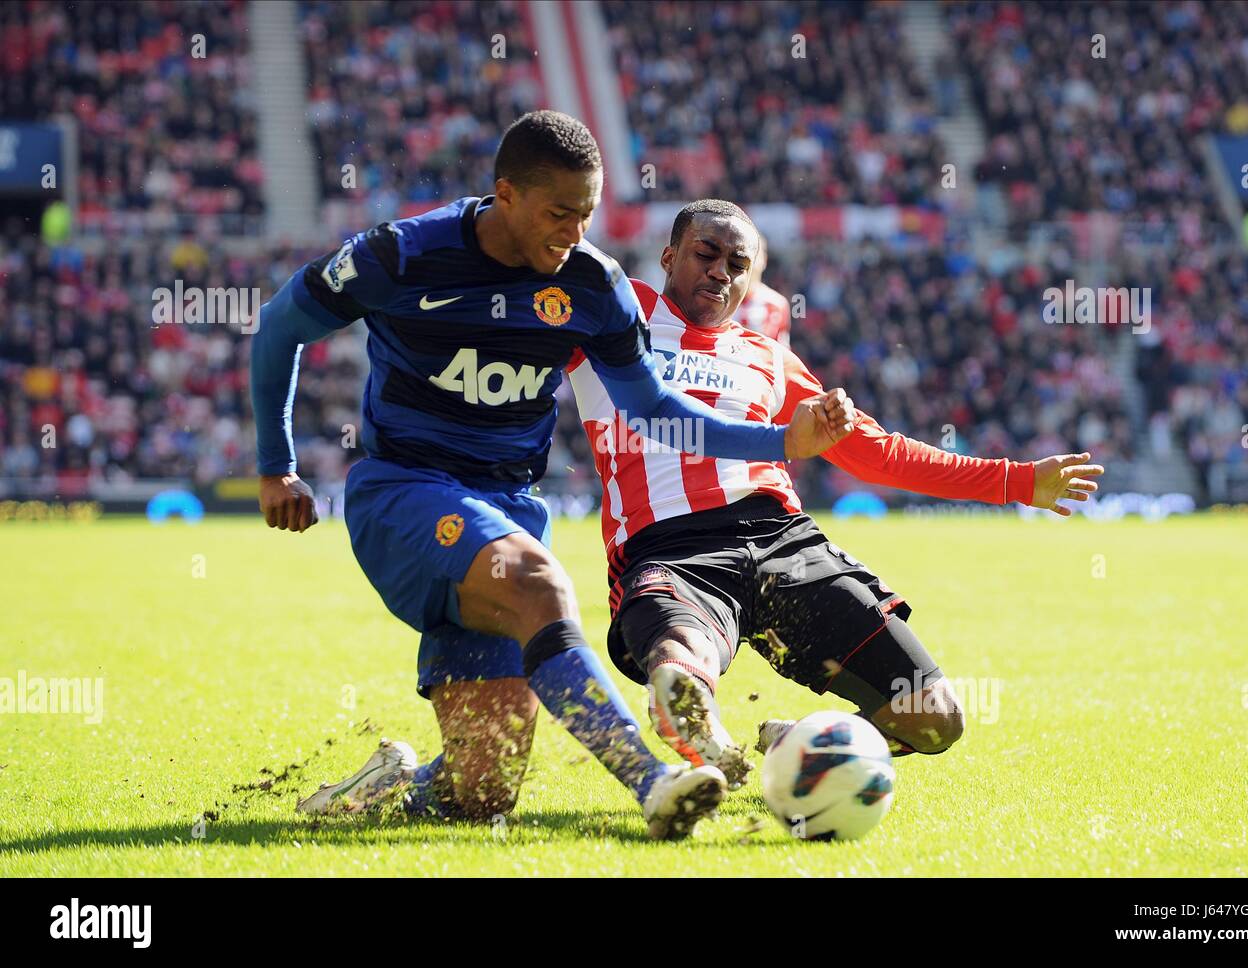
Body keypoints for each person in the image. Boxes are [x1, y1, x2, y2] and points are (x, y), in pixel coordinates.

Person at [250, 116, 853, 838]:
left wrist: (779, 437)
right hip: (404, 493)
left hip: (506, 508)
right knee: (541, 584)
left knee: (484, 790)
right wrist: (275, 468)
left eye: (586, 214)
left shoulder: (594, 286)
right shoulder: (401, 255)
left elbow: (655, 409)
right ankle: (654, 782)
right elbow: (280, 326)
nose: (572, 232)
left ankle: (382, 788)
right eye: (557, 213)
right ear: (505, 194)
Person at [566, 199, 1105, 786]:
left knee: (934, 717)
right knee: (682, 654)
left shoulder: (770, 359)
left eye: (738, 263)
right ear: (669, 256)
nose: (722, 271)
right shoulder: (618, 317)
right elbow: (536, 276)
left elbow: (878, 453)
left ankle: (798, 743)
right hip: (672, 548)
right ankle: (697, 723)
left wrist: (1017, 481)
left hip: (785, 543)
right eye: (706, 253)